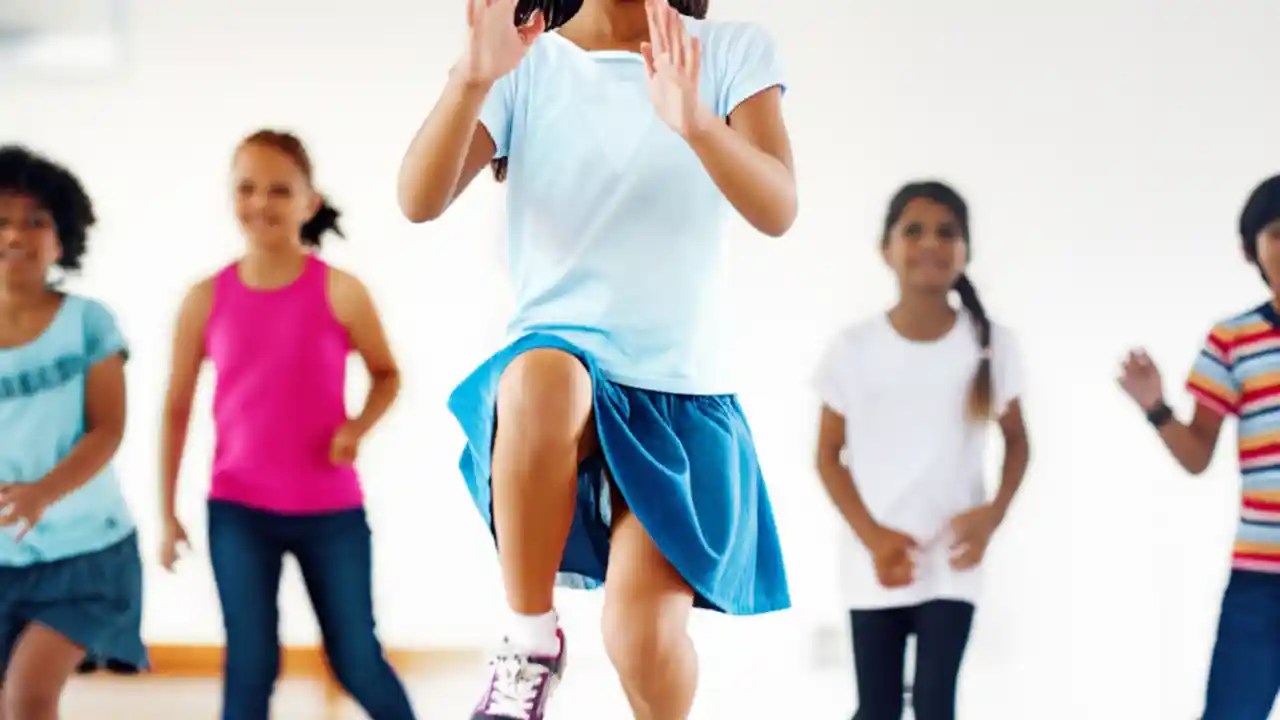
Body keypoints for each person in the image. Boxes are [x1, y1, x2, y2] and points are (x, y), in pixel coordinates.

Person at [397, 0, 796, 716]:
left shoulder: (729, 51)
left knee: (639, 638)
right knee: (543, 373)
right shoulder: (528, 60)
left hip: (679, 395)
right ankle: (529, 640)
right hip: (558, 382)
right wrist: (472, 78)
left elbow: (777, 207)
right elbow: (419, 200)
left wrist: (697, 123)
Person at [159, 130, 416, 720]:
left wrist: (357, 427)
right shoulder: (204, 299)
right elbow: (174, 408)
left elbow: (387, 375)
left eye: (279, 190)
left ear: (310, 201)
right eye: (246, 188)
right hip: (239, 510)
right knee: (250, 665)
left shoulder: (341, 290)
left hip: (330, 512)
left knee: (355, 658)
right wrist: (168, 512)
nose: (261, 203)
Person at [814, 182, 1030, 720]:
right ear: (885, 248)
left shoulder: (991, 343)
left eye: (947, 232)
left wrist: (992, 516)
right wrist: (874, 537)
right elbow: (827, 456)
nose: (930, 243)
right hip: (874, 560)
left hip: (953, 561)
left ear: (966, 251)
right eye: (913, 230)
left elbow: (1019, 441)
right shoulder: (853, 348)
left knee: (936, 705)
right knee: (877, 708)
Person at [1119, 174, 1280, 719]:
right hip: (1261, 577)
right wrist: (1155, 406)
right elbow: (1196, 455)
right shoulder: (1232, 339)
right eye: (1278, 233)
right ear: (1250, 250)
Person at [0, 145, 147, 719]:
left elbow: (108, 429)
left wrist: (42, 492)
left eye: (36, 220)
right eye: (3, 219)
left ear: (61, 239)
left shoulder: (89, 322)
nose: (17, 233)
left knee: (28, 698)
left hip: (86, 555)